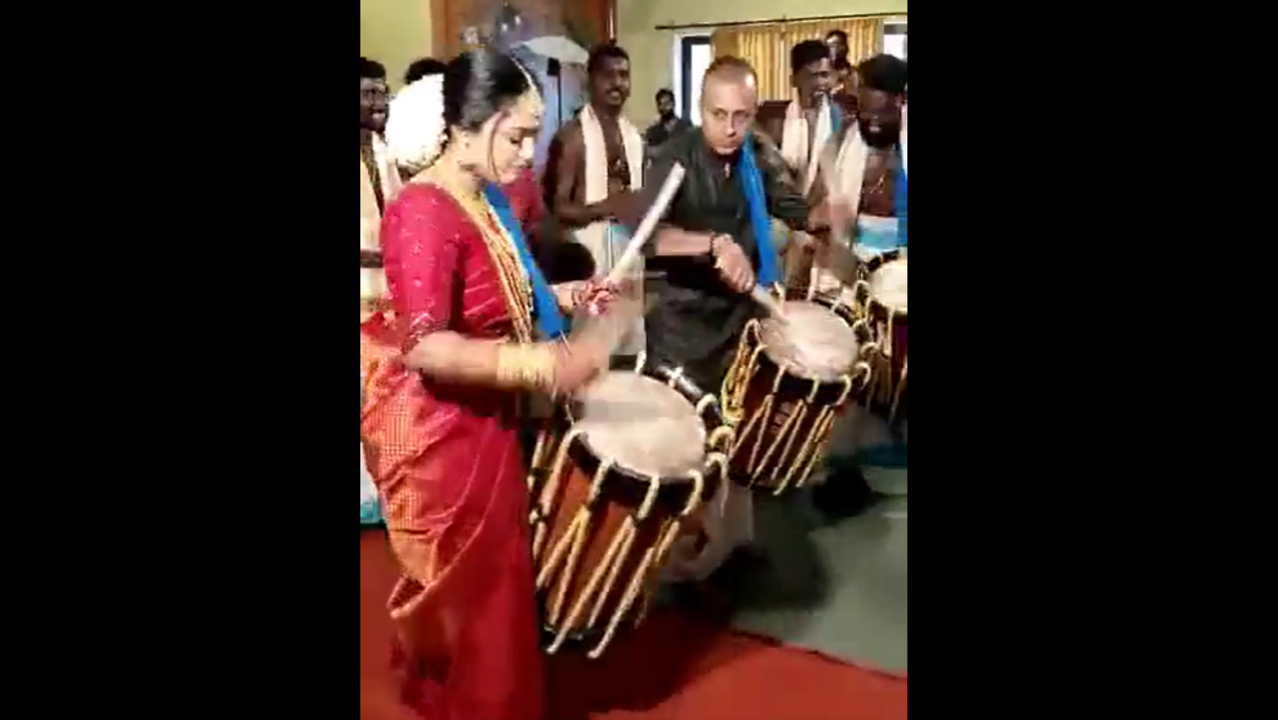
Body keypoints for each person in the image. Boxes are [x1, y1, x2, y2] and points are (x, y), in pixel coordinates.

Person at [361, 50, 618, 720]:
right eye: (518, 135)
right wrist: (541, 366)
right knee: (479, 601)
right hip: (444, 439)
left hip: (487, 421)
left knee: (499, 591)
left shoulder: (482, 196)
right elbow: (424, 345)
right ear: (468, 126)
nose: (530, 152)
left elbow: (500, 299)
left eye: (534, 134)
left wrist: (571, 292)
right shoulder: (422, 210)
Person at [640, 56, 834, 580]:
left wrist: (826, 211)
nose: (729, 128)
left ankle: (730, 541)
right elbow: (650, 239)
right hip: (681, 323)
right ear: (699, 108)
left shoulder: (758, 155)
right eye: (717, 114)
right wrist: (712, 243)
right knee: (684, 443)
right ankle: (667, 551)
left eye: (741, 116)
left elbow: (799, 211)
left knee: (738, 431)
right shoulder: (670, 156)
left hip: (739, 319)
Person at [544, 41, 645, 354]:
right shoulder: (573, 136)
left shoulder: (633, 135)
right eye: (608, 75)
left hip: (629, 248)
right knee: (590, 349)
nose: (617, 83)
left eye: (624, 75)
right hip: (589, 253)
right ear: (591, 81)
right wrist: (607, 207)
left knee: (629, 344)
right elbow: (558, 208)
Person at [360, 57, 401, 527]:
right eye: (368, 93)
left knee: (385, 400)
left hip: (387, 299)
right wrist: (376, 257)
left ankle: (386, 494)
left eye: (381, 92)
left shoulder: (385, 151)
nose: (378, 102)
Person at [829, 53, 908, 256]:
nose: (872, 122)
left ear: (901, 101)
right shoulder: (847, 139)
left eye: (882, 113)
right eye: (865, 112)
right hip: (854, 260)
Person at [644, 88, 692, 154]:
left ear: (673, 104)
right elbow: (649, 152)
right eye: (660, 104)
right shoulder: (653, 131)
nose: (663, 107)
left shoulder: (686, 128)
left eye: (667, 103)